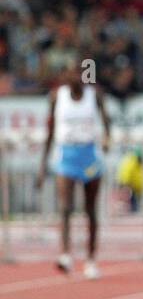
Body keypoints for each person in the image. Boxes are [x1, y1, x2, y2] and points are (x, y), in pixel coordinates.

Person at [36, 59, 111, 277]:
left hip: (88, 155)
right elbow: (50, 133)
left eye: (79, 73)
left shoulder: (93, 95)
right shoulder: (56, 97)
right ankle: (65, 254)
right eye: (70, 74)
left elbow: (107, 121)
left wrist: (107, 138)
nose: (75, 77)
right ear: (64, 76)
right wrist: (43, 165)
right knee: (65, 207)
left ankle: (91, 259)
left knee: (90, 210)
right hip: (66, 155)